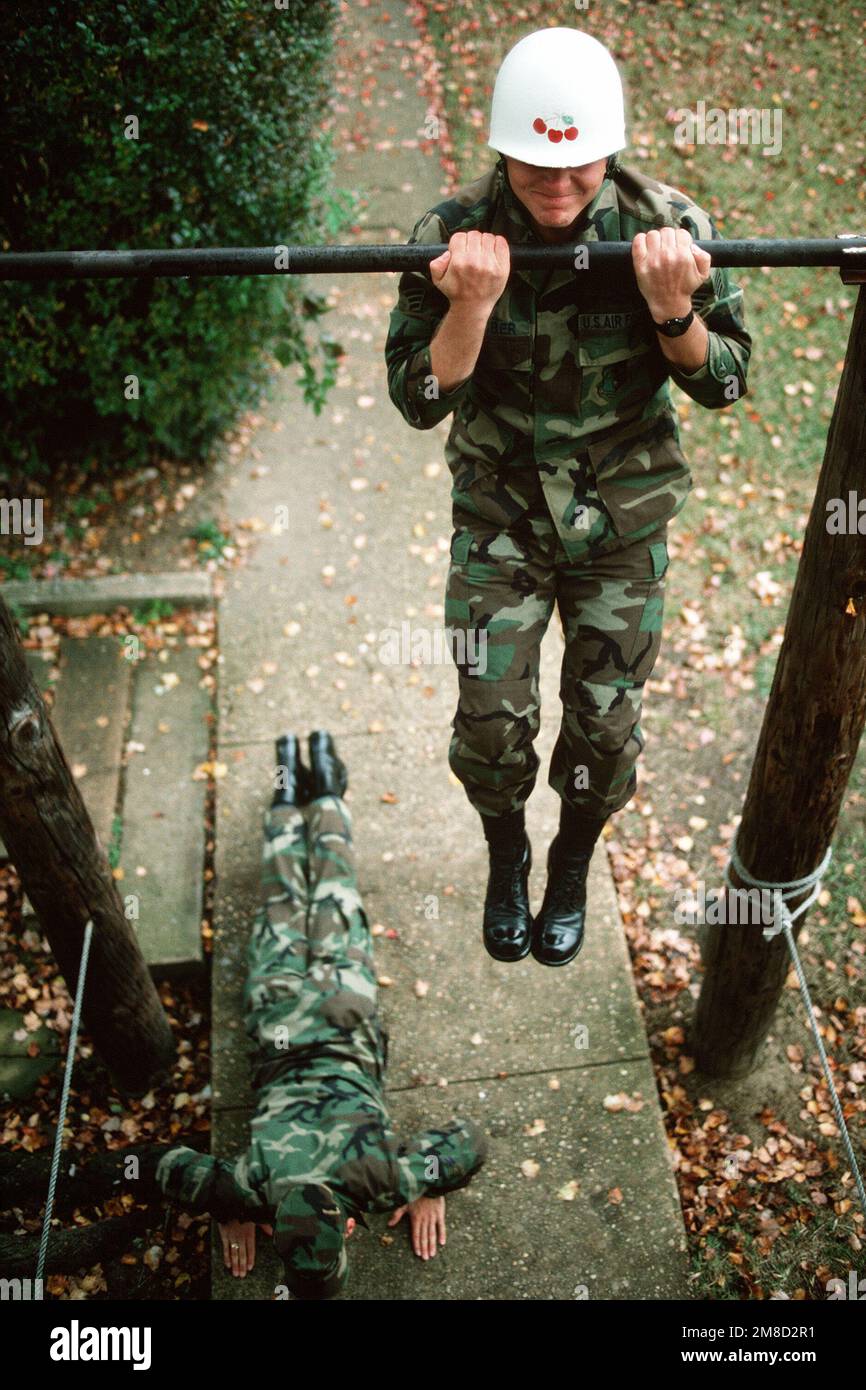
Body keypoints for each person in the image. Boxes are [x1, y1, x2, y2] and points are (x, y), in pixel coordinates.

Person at [385, 26, 751, 968]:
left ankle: (572, 862)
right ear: (503, 150)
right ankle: (507, 857)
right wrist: (468, 305)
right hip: (501, 515)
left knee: (604, 725)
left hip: (621, 523)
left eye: (577, 169)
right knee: (489, 719)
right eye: (536, 169)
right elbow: (420, 402)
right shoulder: (449, 234)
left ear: (609, 151)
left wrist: (674, 309)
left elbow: (726, 386)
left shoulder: (667, 223)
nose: (557, 190)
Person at [148, 732, 487, 1299]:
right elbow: (164, 1167)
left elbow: (469, 1140)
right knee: (283, 893)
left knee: (333, 887)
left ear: (349, 1227)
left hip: (344, 1006)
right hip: (278, 1012)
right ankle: (289, 774)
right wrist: (226, 1207)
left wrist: (431, 1183)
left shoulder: (382, 1178)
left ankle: (324, 779)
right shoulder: (249, 1187)